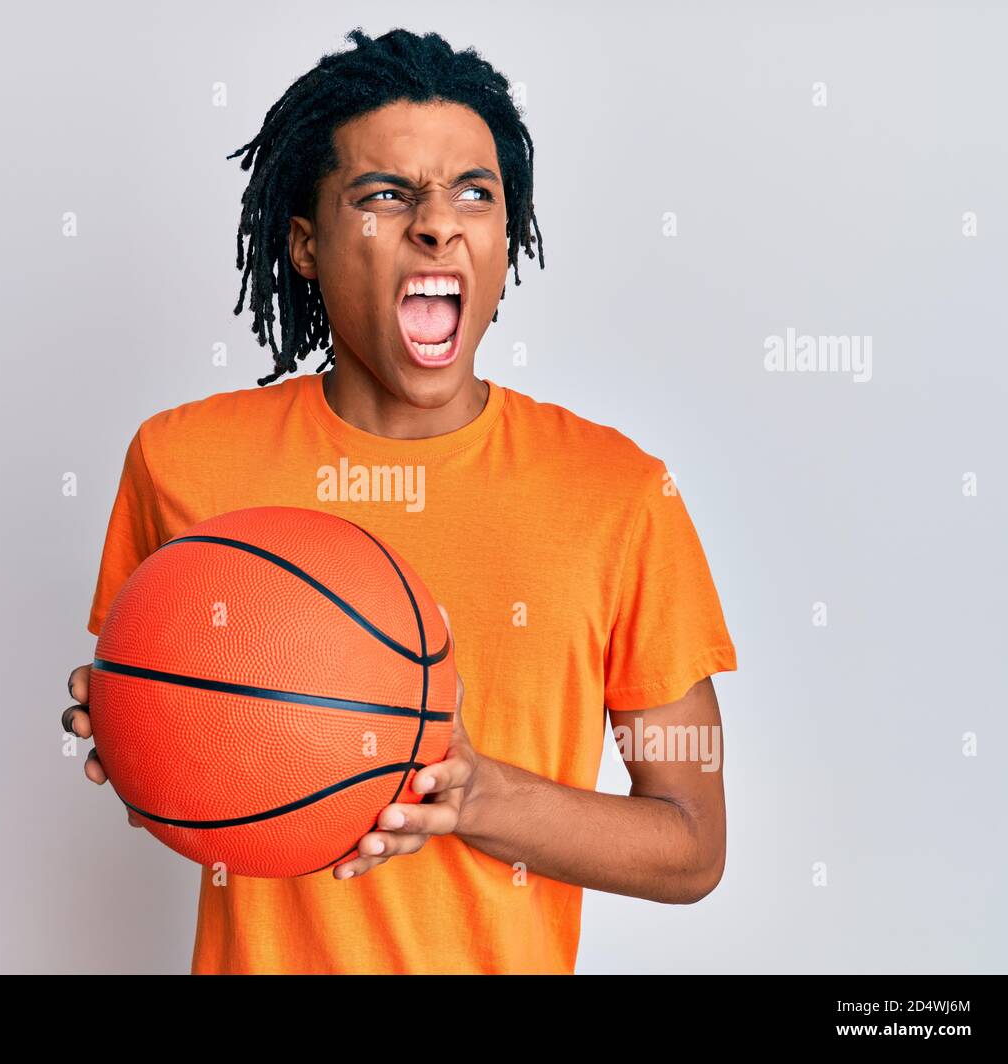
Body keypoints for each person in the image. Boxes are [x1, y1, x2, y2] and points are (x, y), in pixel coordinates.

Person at [60, 27, 737, 974]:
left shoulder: (619, 495)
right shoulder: (181, 462)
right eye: (386, 194)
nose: (437, 222)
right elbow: (175, 729)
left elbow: (692, 843)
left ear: (507, 238)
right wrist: (147, 722)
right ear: (304, 244)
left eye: (475, 193)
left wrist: (476, 795)